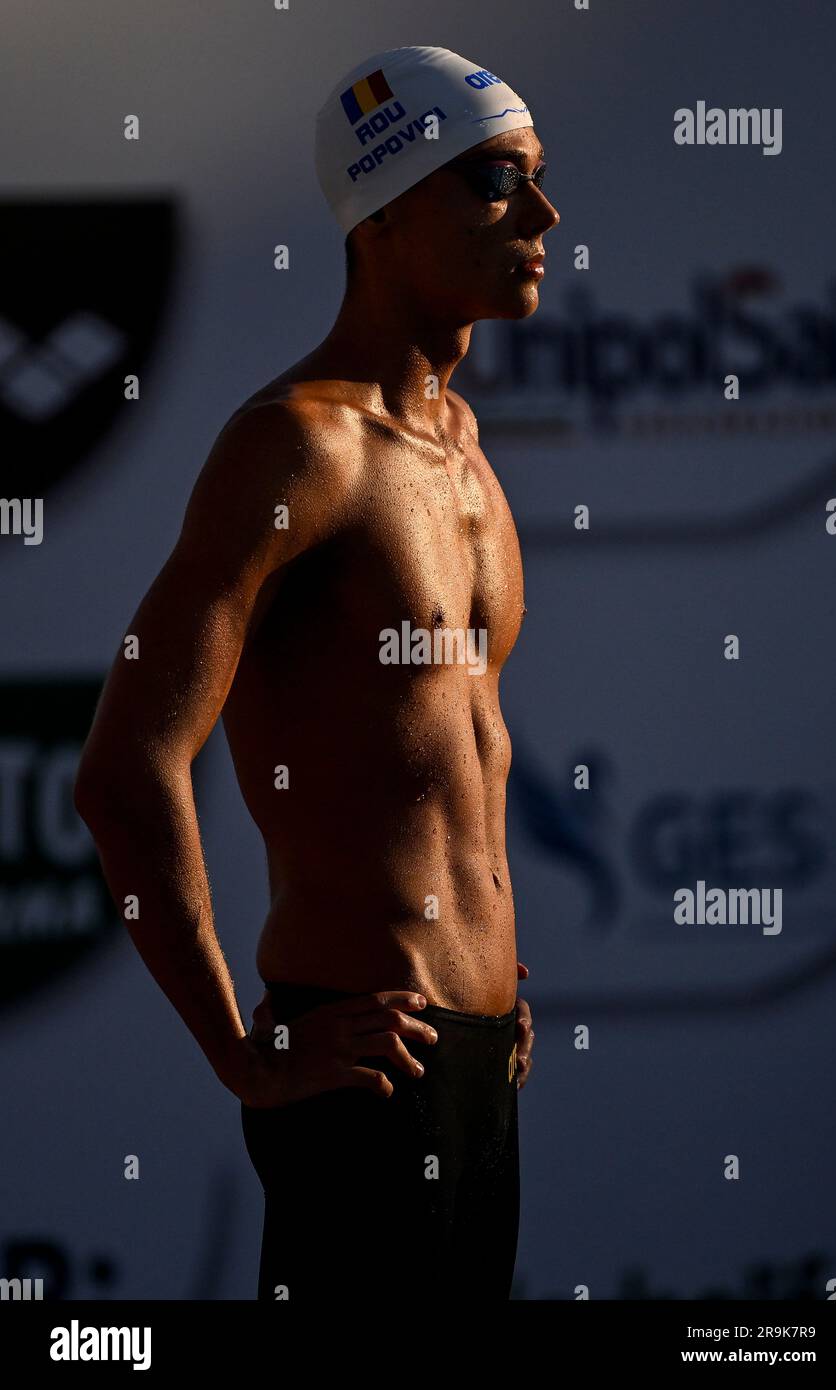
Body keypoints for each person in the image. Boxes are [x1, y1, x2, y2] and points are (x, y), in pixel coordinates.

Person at [74, 44, 558, 1301]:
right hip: (359, 1072)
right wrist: (244, 1050)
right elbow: (125, 770)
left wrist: (491, 985)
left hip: (474, 1067)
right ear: (389, 210)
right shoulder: (297, 448)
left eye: (541, 182)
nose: (546, 219)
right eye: (501, 183)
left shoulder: (462, 453)